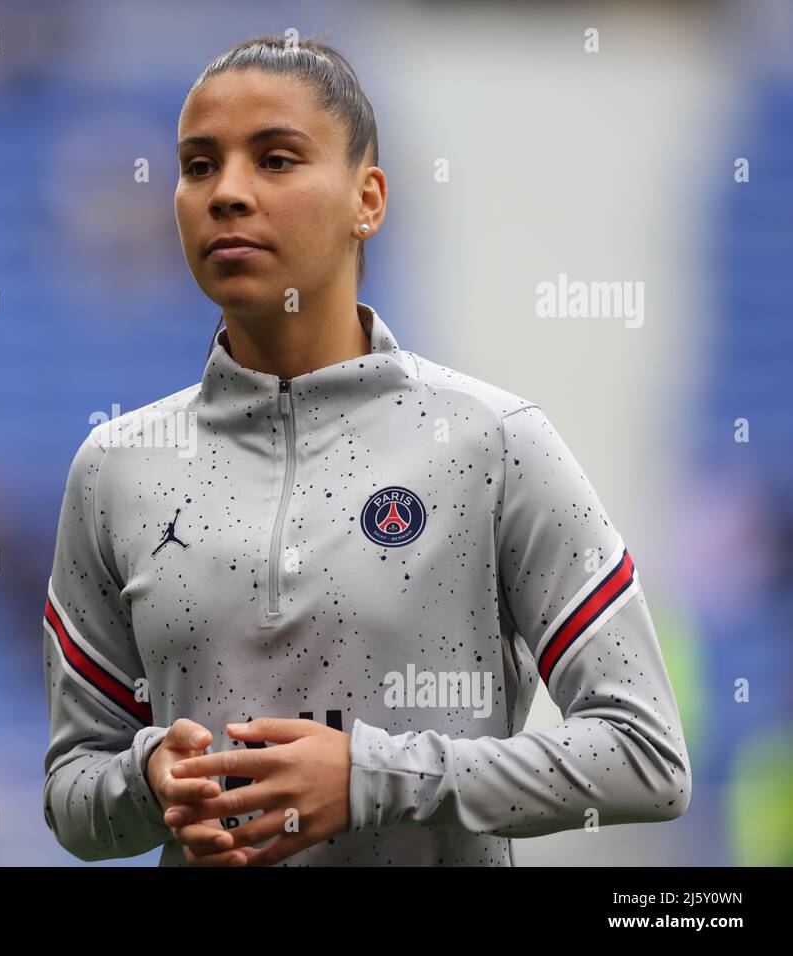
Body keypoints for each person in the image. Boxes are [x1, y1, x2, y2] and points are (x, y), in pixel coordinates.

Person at [41, 34, 691, 866]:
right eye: (199, 166)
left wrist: (370, 778)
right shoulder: (114, 469)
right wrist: (147, 782)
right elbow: (72, 791)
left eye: (276, 159)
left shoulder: (493, 444)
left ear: (368, 200)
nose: (227, 192)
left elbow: (648, 758)